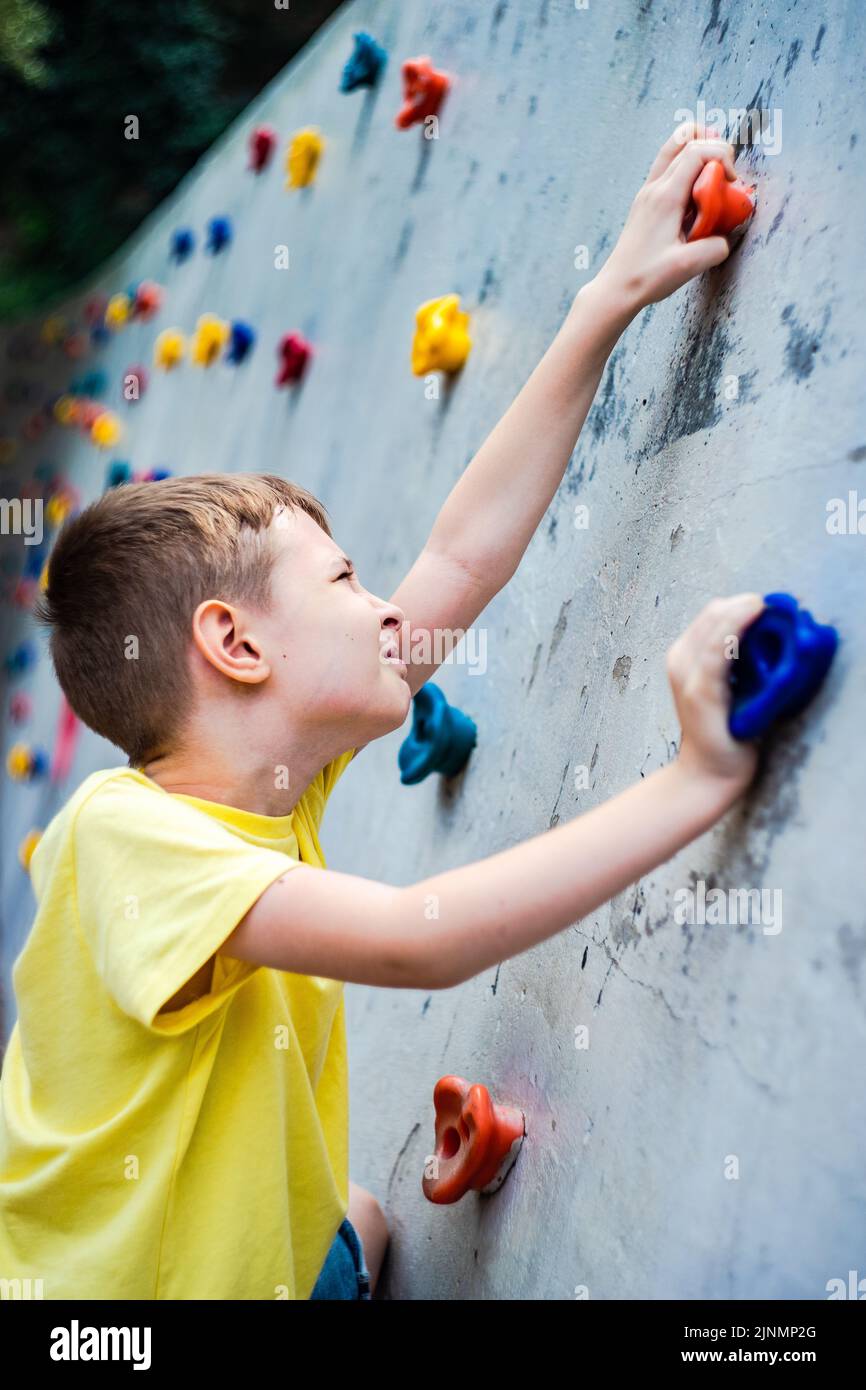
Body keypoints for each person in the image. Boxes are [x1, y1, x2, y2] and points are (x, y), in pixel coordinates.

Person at [0, 126, 761, 1301]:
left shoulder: (258, 775)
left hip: (258, 1263)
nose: (380, 604)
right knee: (348, 1235)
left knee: (355, 1218)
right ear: (237, 646)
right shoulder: (121, 837)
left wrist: (609, 296)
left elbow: (460, 554)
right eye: (345, 583)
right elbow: (418, 937)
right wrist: (694, 781)